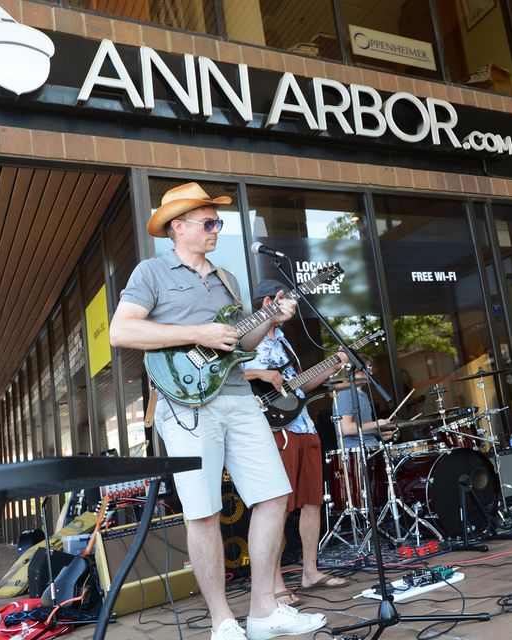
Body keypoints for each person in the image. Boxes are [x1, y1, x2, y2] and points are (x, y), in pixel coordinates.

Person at [109, 182, 326, 640]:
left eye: (218, 222)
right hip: (185, 404)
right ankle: (222, 621)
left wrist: (269, 319)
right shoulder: (151, 272)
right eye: (208, 222)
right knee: (203, 512)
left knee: (272, 495)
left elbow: (238, 345)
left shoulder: (227, 278)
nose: (216, 229)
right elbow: (122, 332)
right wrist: (198, 334)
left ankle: (265, 609)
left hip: (237, 398)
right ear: (177, 227)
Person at [238, 280, 349, 606]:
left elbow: (298, 387)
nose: (291, 307)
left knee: (312, 500)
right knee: (277, 507)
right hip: (274, 430)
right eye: (286, 301)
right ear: (270, 301)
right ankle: (273, 585)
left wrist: (334, 364)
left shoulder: (284, 341)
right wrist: (259, 374)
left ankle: (310, 572)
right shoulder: (248, 339)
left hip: (303, 424)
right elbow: (225, 373)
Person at [332, 355, 395, 449]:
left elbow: (362, 428)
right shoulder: (345, 393)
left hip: (370, 446)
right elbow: (346, 429)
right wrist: (376, 424)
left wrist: (378, 433)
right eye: (369, 368)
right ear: (358, 369)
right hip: (355, 452)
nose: (372, 373)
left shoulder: (363, 394)